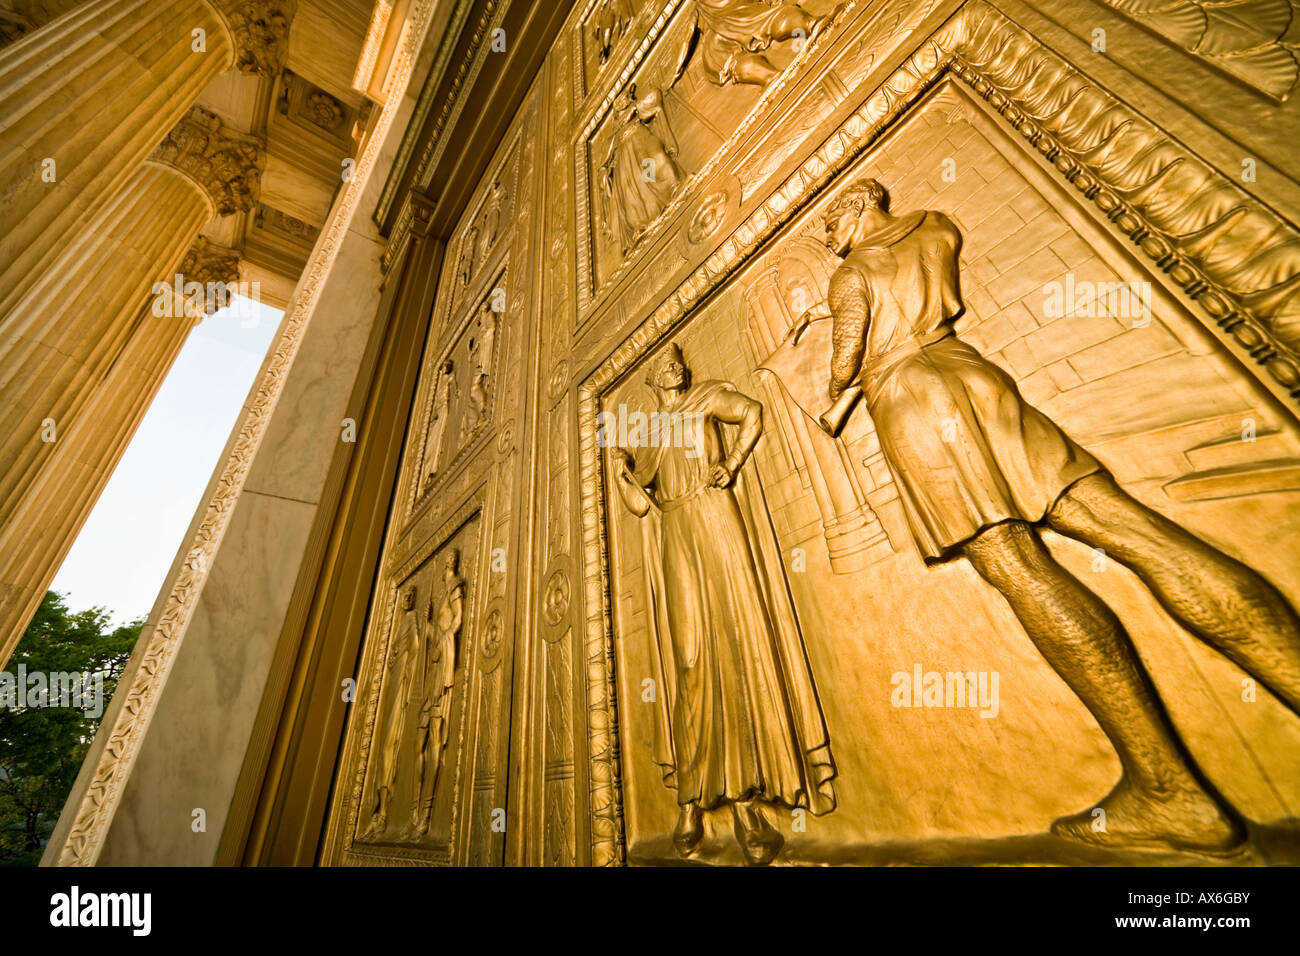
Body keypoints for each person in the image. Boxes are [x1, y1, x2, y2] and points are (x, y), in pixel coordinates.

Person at [811, 177, 1300, 854]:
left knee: (1016, 566)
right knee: (1131, 529)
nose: (827, 239)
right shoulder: (937, 226)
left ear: (860, 207)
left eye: (831, 224)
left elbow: (843, 363)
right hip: (973, 374)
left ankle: (1171, 791)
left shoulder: (853, 275)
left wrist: (833, 385)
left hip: (912, 397)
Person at [610, 343, 835, 864]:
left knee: (736, 641)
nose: (673, 366)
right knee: (689, 656)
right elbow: (636, 502)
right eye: (663, 364)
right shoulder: (647, 433)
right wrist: (615, 463)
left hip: (715, 515)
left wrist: (731, 463)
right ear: (650, 378)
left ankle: (744, 803)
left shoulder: (708, 396)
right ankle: (692, 794)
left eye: (677, 361)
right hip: (675, 528)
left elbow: (752, 413)